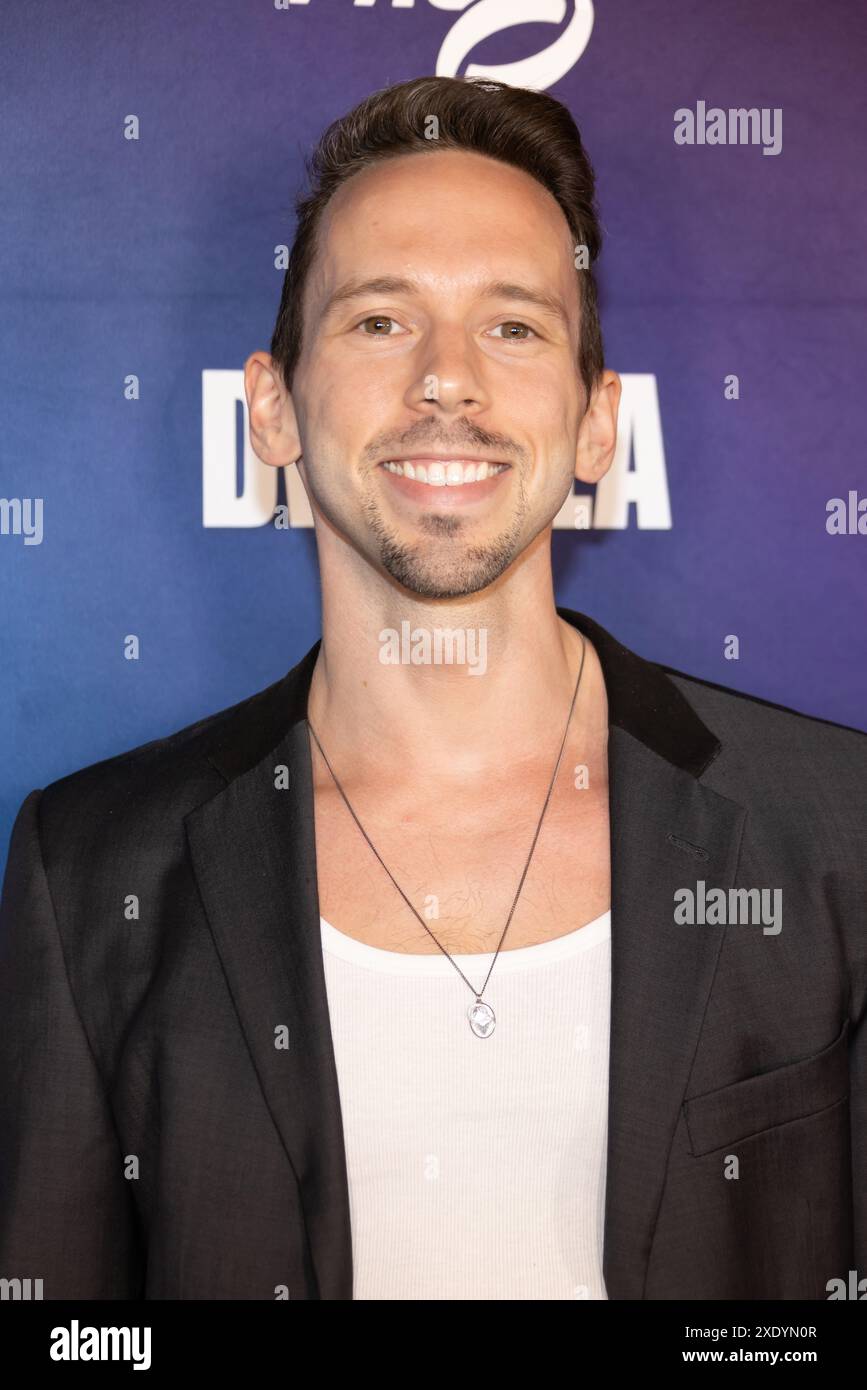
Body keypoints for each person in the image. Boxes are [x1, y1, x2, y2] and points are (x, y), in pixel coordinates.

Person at [0, 75, 864, 1301]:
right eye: (381, 321)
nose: (447, 381)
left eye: (514, 326)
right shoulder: (93, 871)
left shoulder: (840, 836)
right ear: (271, 409)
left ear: (597, 425)